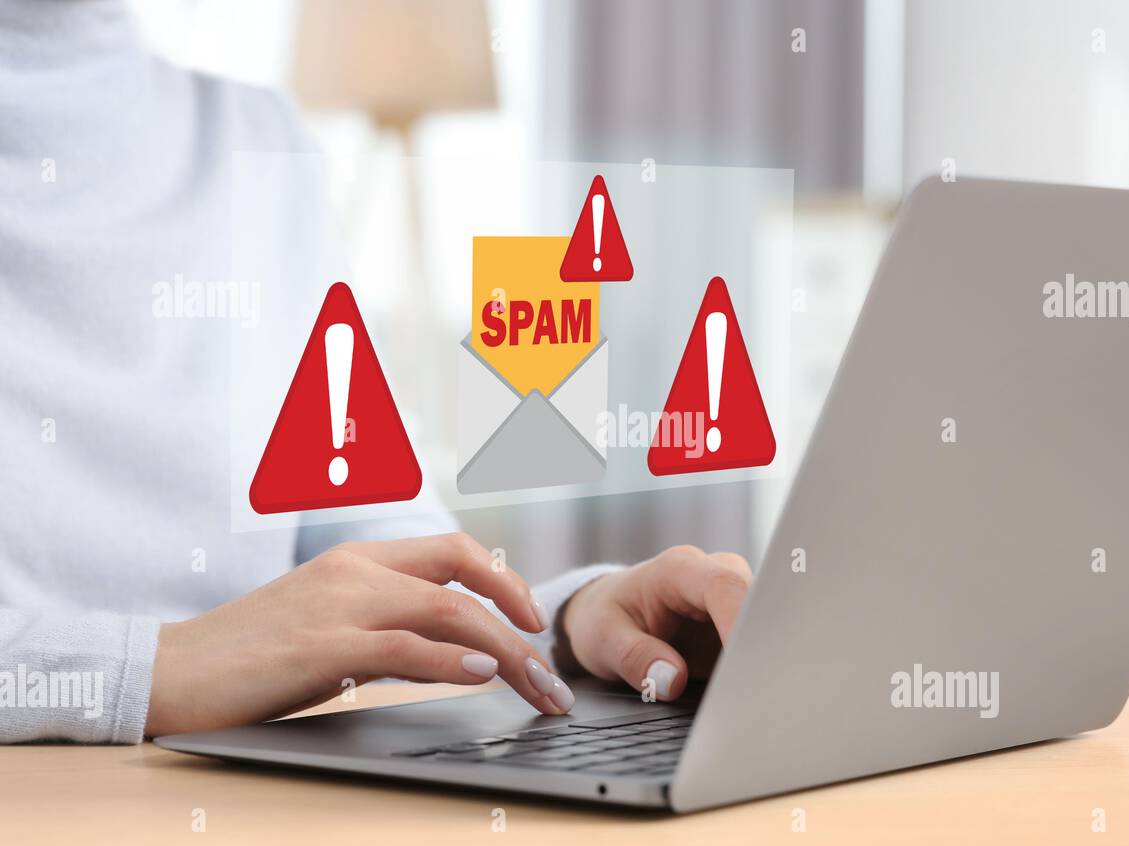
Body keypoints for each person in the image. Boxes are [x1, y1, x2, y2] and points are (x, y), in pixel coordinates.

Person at [0, 0, 750, 743]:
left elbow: (368, 524)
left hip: (263, 804)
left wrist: (572, 623)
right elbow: (202, 662)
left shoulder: (256, 139)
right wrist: (157, 670)